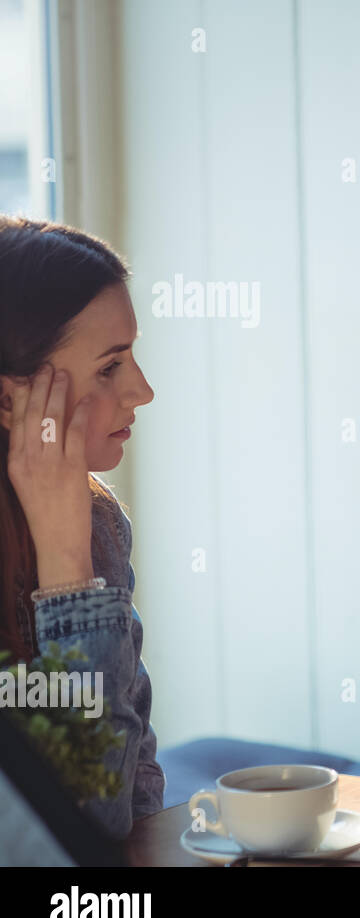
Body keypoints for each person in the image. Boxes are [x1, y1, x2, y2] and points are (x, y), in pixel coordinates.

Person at [0, 216, 163, 838]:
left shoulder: (99, 524)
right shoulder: (80, 530)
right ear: (12, 401)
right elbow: (88, 820)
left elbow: (132, 792)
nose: (142, 391)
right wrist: (64, 563)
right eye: (109, 367)